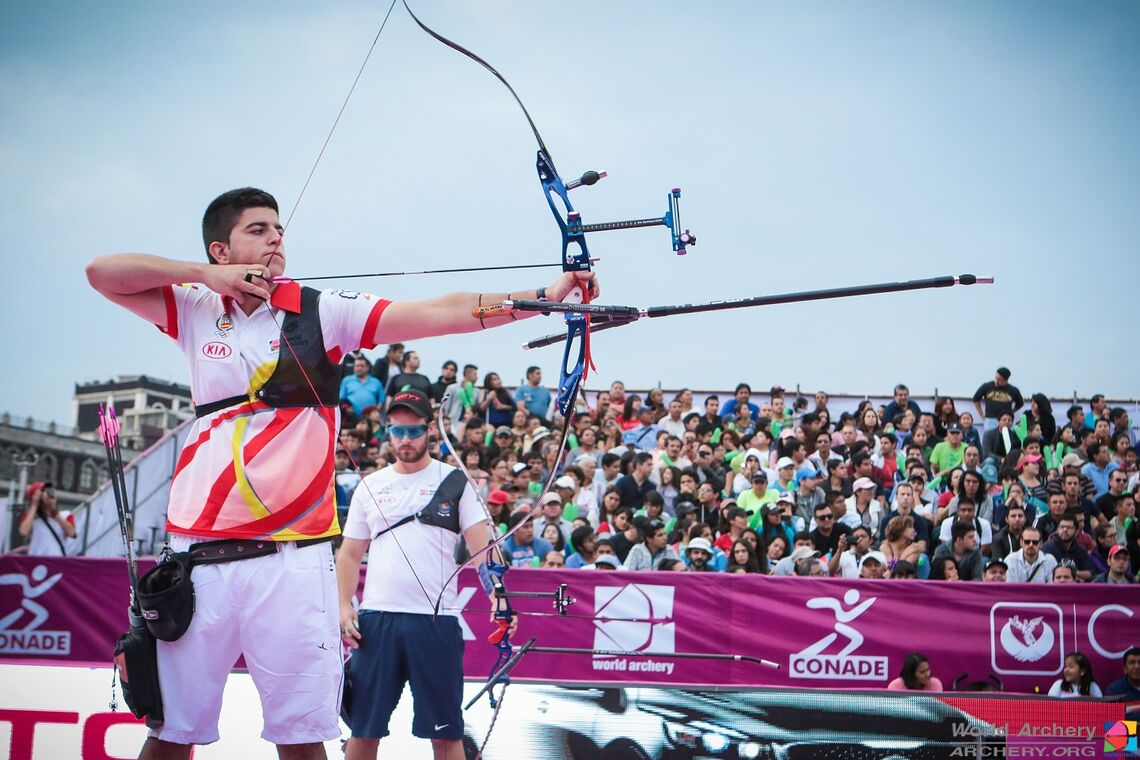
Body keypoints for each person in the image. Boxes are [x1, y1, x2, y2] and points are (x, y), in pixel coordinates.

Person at [85, 186, 599, 759]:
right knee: (171, 734)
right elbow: (101, 272)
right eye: (258, 229)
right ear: (220, 249)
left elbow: (439, 313)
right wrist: (206, 277)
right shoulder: (196, 308)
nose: (276, 236)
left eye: (278, 228)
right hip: (199, 556)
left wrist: (544, 297)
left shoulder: (321, 311)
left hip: (295, 559)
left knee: (304, 740)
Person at [336, 389, 506, 759]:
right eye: (397, 431)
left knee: (446, 735)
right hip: (377, 620)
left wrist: (499, 596)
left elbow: (483, 551)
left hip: (435, 622)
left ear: (429, 429)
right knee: (362, 731)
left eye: (413, 431)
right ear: (388, 431)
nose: (405, 439)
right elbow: (349, 555)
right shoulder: (371, 484)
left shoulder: (455, 482)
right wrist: (344, 606)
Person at [17, 482, 76, 557]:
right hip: (37, 561)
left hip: (57, 561)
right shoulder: (32, 517)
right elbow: (23, 531)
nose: (47, 494)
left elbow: (72, 533)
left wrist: (54, 513)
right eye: (43, 491)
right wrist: (34, 505)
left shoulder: (65, 515)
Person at [972, 367, 1023, 432]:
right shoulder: (987, 386)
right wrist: (981, 414)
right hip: (990, 419)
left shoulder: (1013, 390)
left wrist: (1011, 412)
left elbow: (1020, 403)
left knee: (1005, 439)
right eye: (996, 378)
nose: (996, 381)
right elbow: (976, 399)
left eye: (999, 379)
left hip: (1005, 420)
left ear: (1006, 380)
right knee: (990, 439)